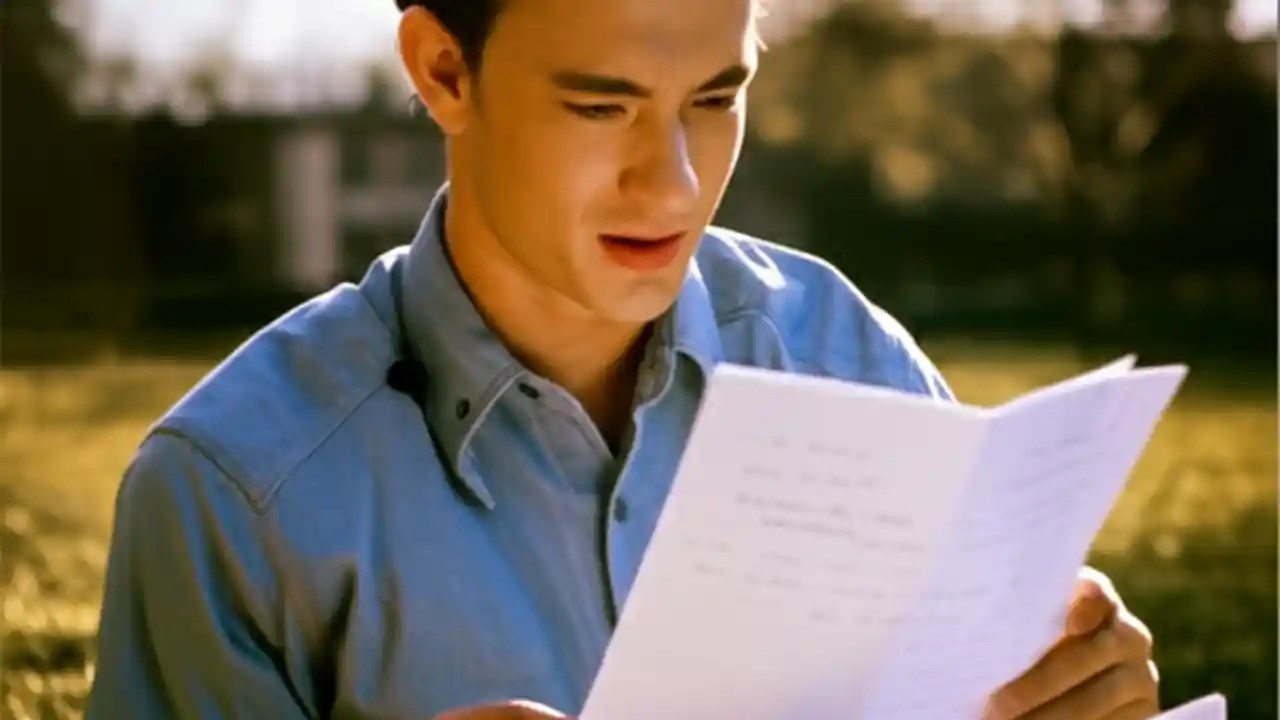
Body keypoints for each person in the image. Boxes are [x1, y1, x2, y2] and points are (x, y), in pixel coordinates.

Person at [87, 0, 1161, 718]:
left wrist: (1072, 686)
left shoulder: (843, 355)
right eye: (601, 106)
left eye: (715, 98)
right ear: (443, 70)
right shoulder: (231, 495)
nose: (676, 184)